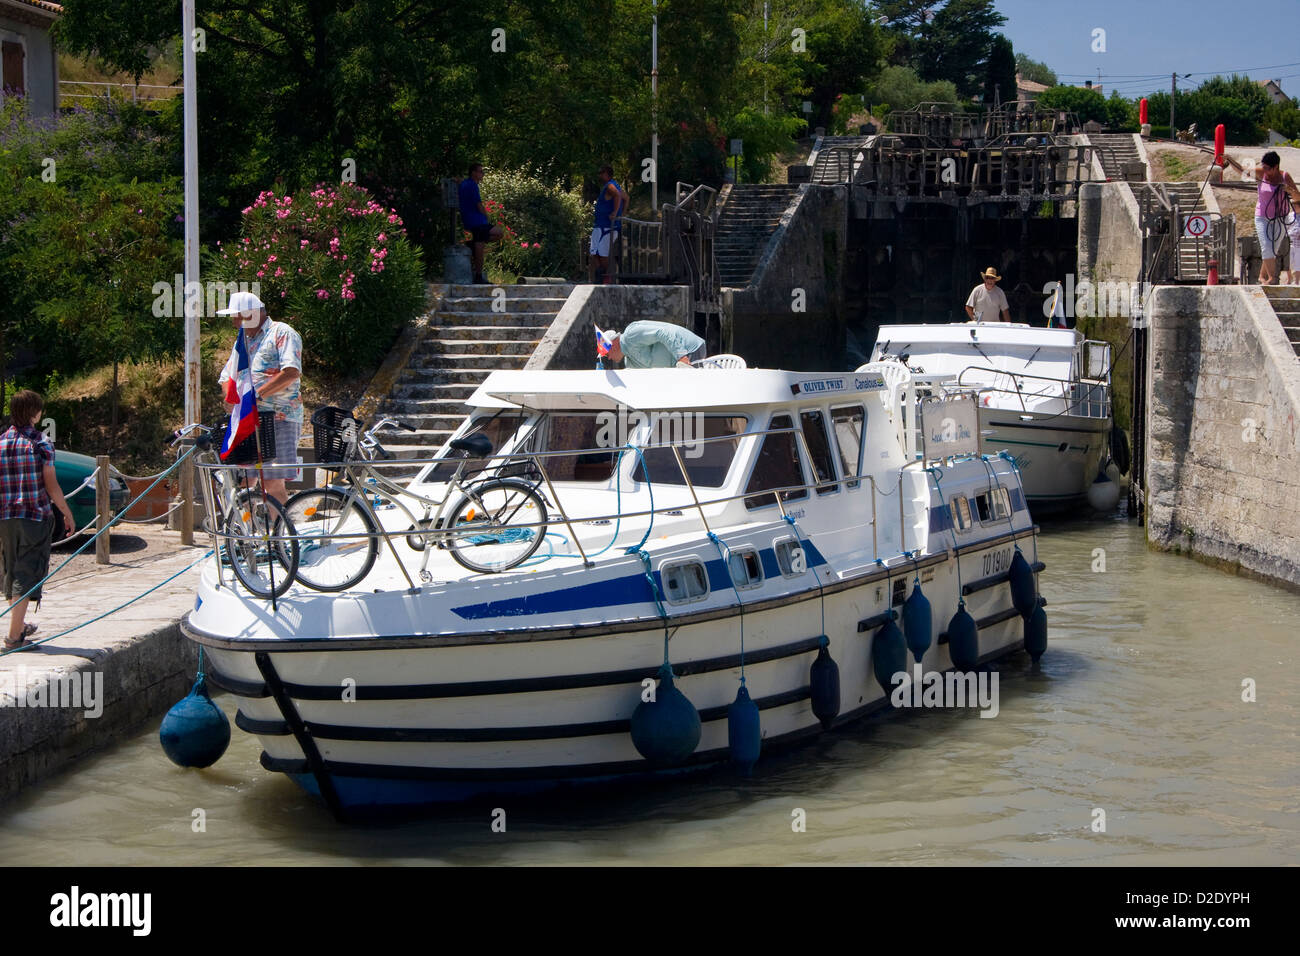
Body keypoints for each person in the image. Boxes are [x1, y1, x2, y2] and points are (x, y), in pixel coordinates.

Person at [0, 390, 74, 649]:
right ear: (35, 413)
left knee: (11, 569)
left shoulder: (1, 442)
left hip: (6, 517)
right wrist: (66, 511)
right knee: (27, 572)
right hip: (34, 515)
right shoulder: (41, 443)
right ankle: (13, 638)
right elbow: (51, 484)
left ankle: (18, 627)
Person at [217, 290, 303, 504]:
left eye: (237, 316)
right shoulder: (243, 341)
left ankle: (279, 533)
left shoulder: (282, 332)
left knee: (272, 481)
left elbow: (291, 371)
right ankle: (249, 532)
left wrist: (257, 395)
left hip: (279, 418)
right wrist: (230, 396)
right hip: (248, 420)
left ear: (252, 313)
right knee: (246, 480)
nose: (234, 322)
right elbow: (228, 375)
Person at [1253, 151, 1296, 286]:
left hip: (1280, 218)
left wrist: (1289, 190)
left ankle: (1261, 276)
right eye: (1263, 167)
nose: (1265, 170)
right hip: (1262, 216)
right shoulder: (1260, 173)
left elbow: (1297, 196)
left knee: (1273, 249)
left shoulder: (1285, 176)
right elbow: (1242, 171)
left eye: (1268, 168)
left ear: (1276, 166)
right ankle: (1272, 278)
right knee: (1266, 247)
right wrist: (1230, 160)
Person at [459, 163, 503, 285]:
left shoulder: (465, 183)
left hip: (471, 220)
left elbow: (460, 182)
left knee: (494, 236)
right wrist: (486, 215)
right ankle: (478, 276)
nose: (482, 174)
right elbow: (479, 204)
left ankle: (472, 244)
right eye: (480, 172)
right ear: (473, 173)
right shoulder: (472, 185)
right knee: (488, 240)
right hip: (476, 221)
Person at [596, 321, 705, 368]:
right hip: (676, 365)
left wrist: (681, 356)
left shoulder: (631, 335)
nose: (609, 358)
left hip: (690, 349)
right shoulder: (629, 362)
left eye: (606, 354)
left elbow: (663, 332)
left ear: (613, 345)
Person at [588, 165, 628, 284]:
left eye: (601, 172)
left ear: (608, 174)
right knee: (595, 251)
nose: (599, 175)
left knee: (600, 252)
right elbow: (626, 198)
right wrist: (622, 215)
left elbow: (617, 195)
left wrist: (615, 213)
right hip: (603, 225)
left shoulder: (610, 186)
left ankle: (604, 275)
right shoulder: (614, 184)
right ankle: (601, 273)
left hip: (605, 226)